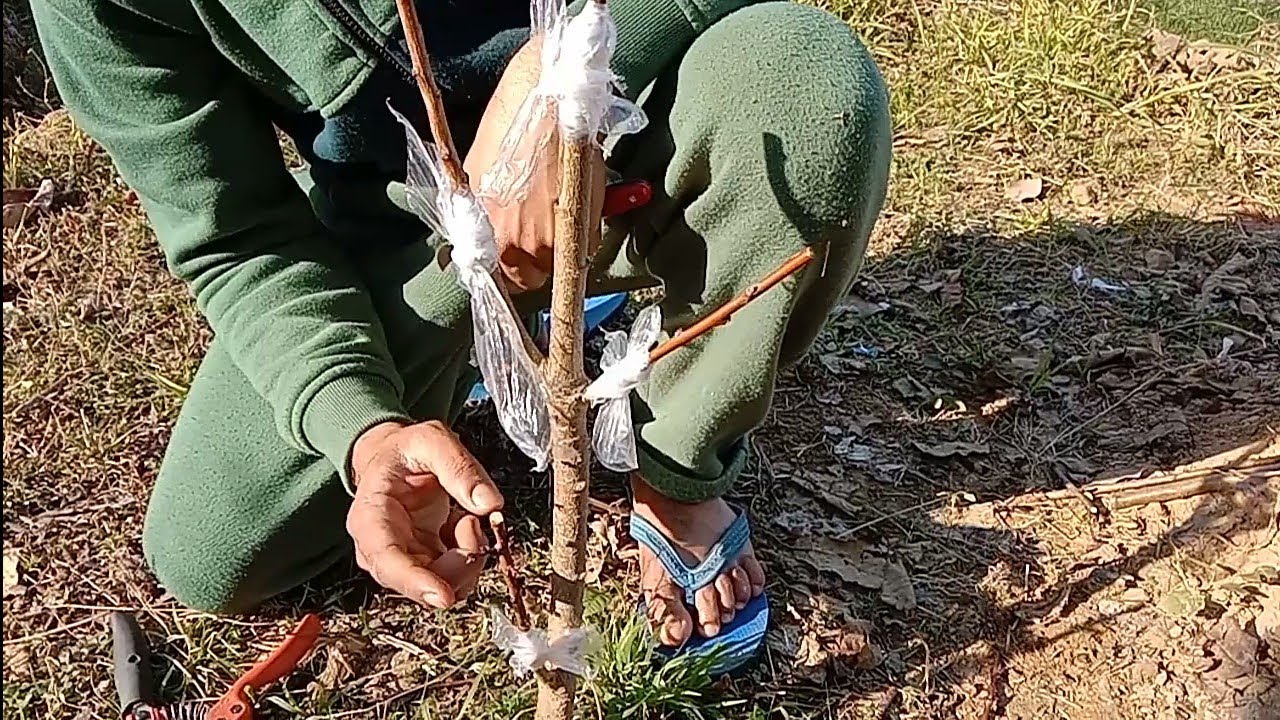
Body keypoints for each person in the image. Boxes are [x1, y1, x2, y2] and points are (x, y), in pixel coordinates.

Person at [32, 0, 890, 665]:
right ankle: (500, 331)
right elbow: (235, 237)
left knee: (801, 83)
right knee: (215, 549)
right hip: (413, 224)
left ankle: (676, 473)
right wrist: (362, 431)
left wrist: (565, 74)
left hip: (637, 118)